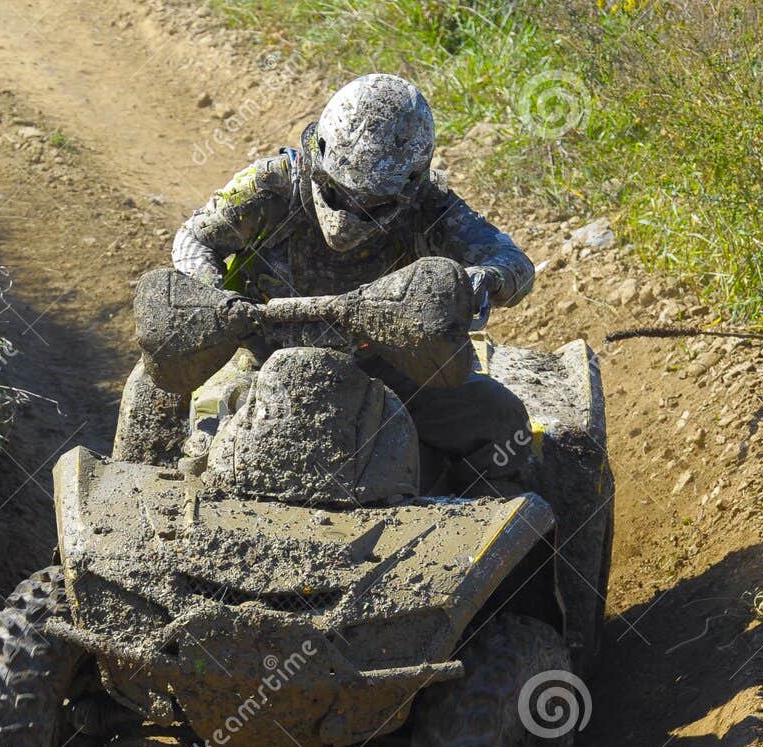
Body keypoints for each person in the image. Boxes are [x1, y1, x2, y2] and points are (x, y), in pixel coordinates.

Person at [114, 74, 534, 472]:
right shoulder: (272, 185)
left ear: (411, 183)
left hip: (386, 362)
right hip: (256, 354)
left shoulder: (432, 206)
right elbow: (194, 237)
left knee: (502, 425)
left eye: (371, 204)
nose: (350, 211)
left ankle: (464, 506)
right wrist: (216, 299)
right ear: (319, 157)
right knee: (199, 438)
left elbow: (512, 260)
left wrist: (484, 280)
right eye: (337, 191)